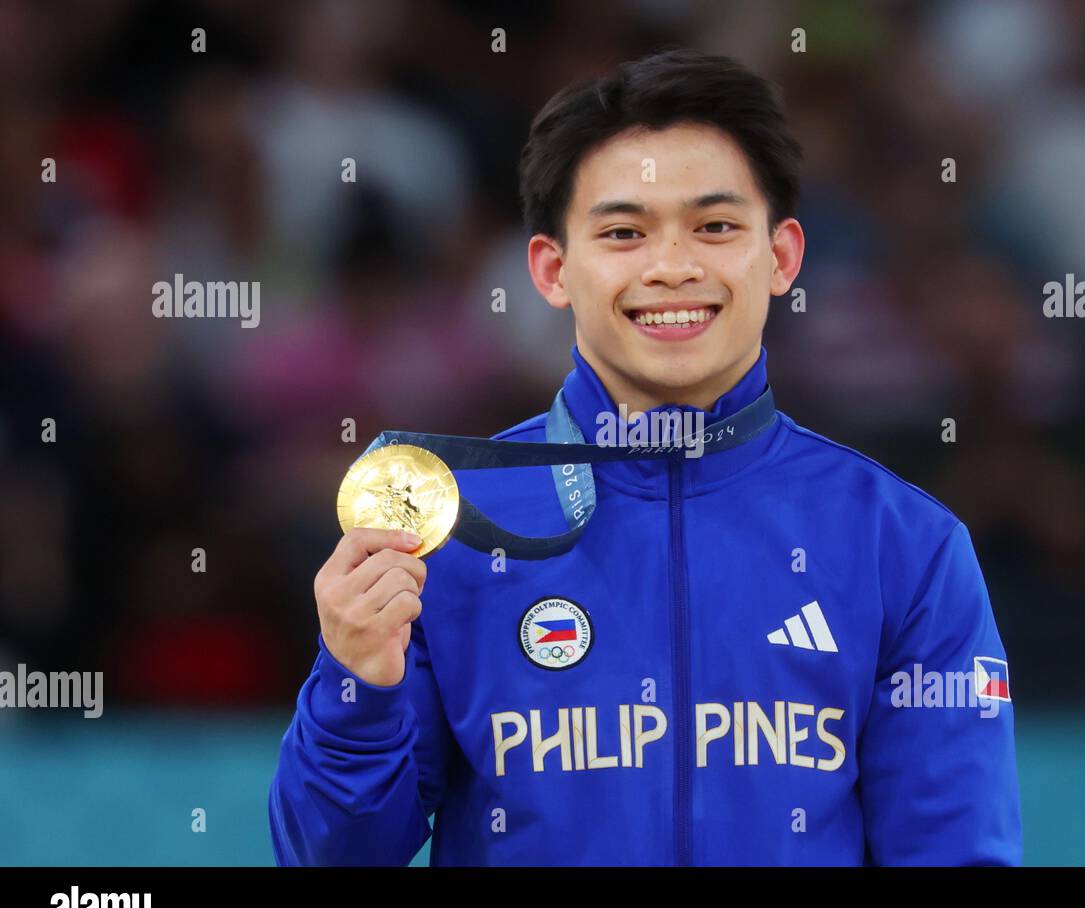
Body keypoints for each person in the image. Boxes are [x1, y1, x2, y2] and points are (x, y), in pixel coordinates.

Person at [268, 47, 1022, 866]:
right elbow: (330, 857)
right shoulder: (448, 527)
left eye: (716, 226)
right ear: (553, 270)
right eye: (624, 232)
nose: (672, 268)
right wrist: (354, 686)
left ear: (782, 257)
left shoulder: (903, 544)